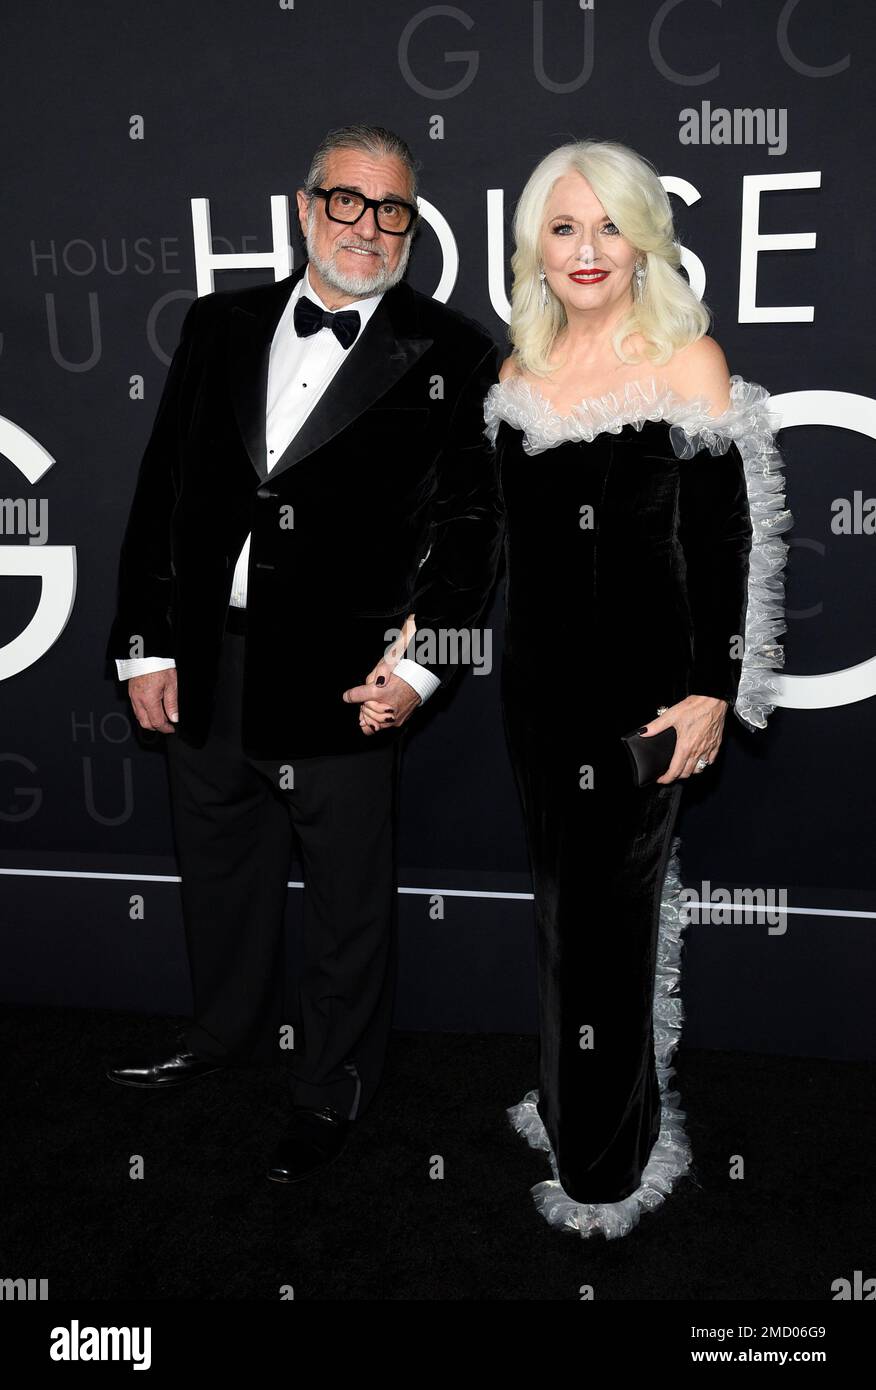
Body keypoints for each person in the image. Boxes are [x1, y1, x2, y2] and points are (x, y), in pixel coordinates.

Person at [104, 124, 503, 1184]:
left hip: (347, 677)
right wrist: (142, 644)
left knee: (347, 899)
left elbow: (476, 536)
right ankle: (220, 1032)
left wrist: (424, 670)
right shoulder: (218, 324)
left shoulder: (456, 353)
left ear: (413, 226)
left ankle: (332, 1090)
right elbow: (163, 498)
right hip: (205, 659)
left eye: (393, 211)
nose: (368, 228)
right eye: (347, 202)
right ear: (303, 206)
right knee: (220, 869)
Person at [481, 139, 792, 1239]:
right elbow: (502, 546)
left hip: (642, 706)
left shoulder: (688, 364)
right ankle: (578, 1102)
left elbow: (726, 543)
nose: (587, 249)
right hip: (534, 697)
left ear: (645, 235)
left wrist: (713, 691)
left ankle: (605, 1166)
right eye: (563, 227)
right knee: (566, 917)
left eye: (609, 224)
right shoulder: (516, 378)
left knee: (609, 928)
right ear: (535, 245)